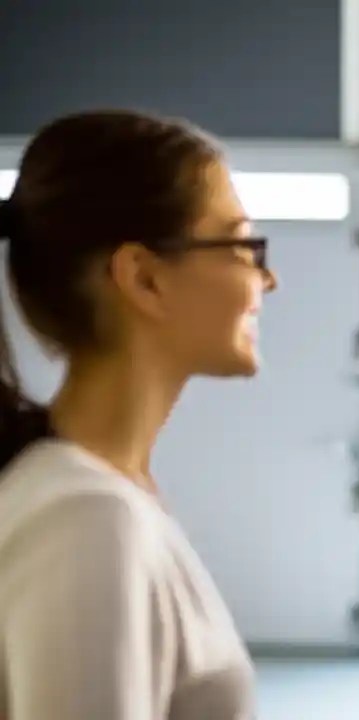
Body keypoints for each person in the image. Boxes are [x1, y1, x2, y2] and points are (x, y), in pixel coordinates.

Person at [0, 110, 278, 719]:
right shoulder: (85, 518)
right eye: (243, 245)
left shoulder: (100, 497)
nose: (268, 279)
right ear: (144, 278)